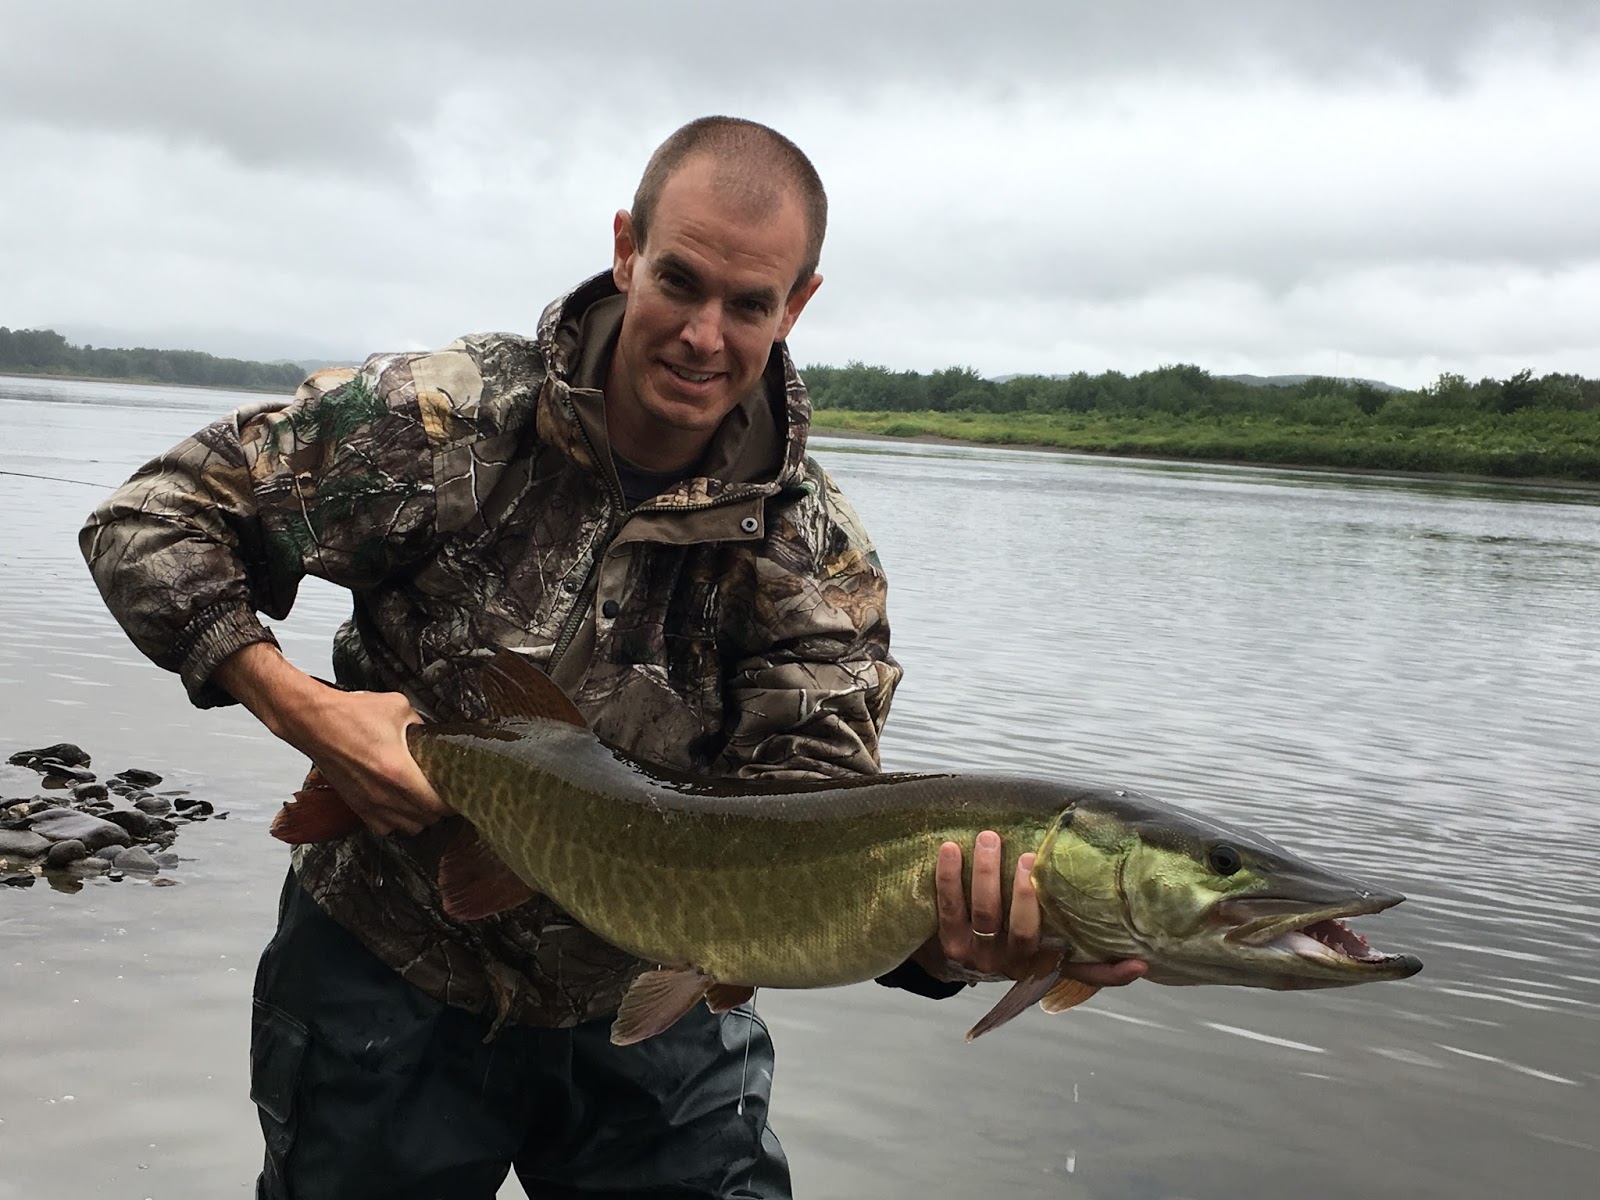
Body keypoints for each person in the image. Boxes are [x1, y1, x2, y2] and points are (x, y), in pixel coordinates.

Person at [82, 116, 1144, 1199]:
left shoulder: (817, 558)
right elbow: (147, 519)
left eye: (749, 304)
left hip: (650, 996)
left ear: (797, 305)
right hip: (383, 967)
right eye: (680, 281)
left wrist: (945, 945)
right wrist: (303, 709)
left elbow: (813, 836)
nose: (704, 336)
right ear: (627, 249)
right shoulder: (445, 420)